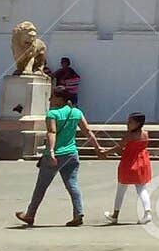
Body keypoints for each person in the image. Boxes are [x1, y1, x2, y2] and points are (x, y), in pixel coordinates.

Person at [15, 86, 105, 227]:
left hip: (55, 155)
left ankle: (30, 214)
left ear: (60, 98)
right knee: (72, 184)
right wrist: (97, 148)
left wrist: (50, 151)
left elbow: (52, 132)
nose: (50, 99)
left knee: (41, 187)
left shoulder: (53, 114)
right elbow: (87, 131)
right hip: (71, 153)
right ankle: (78, 213)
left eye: (53, 96)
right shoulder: (76, 112)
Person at [103, 112, 153, 225]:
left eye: (131, 122)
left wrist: (105, 153)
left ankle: (115, 215)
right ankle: (147, 212)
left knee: (121, 189)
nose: (128, 124)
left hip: (129, 163)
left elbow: (119, 147)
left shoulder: (129, 135)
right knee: (142, 189)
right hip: (142, 162)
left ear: (138, 123)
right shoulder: (145, 134)